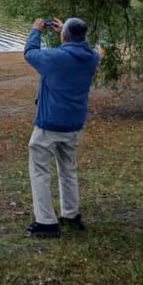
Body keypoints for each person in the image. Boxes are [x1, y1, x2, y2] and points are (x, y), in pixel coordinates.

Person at [23, 17, 99, 238]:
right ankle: (71, 215)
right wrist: (65, 33)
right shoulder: (92, 57)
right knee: (68, 169)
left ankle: (46, 222)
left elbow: (30, 53)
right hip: (73, 123)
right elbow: (79, 47)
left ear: (64, 36)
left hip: (49, 123)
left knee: (39, 170)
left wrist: (35, 31)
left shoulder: (56, 58)